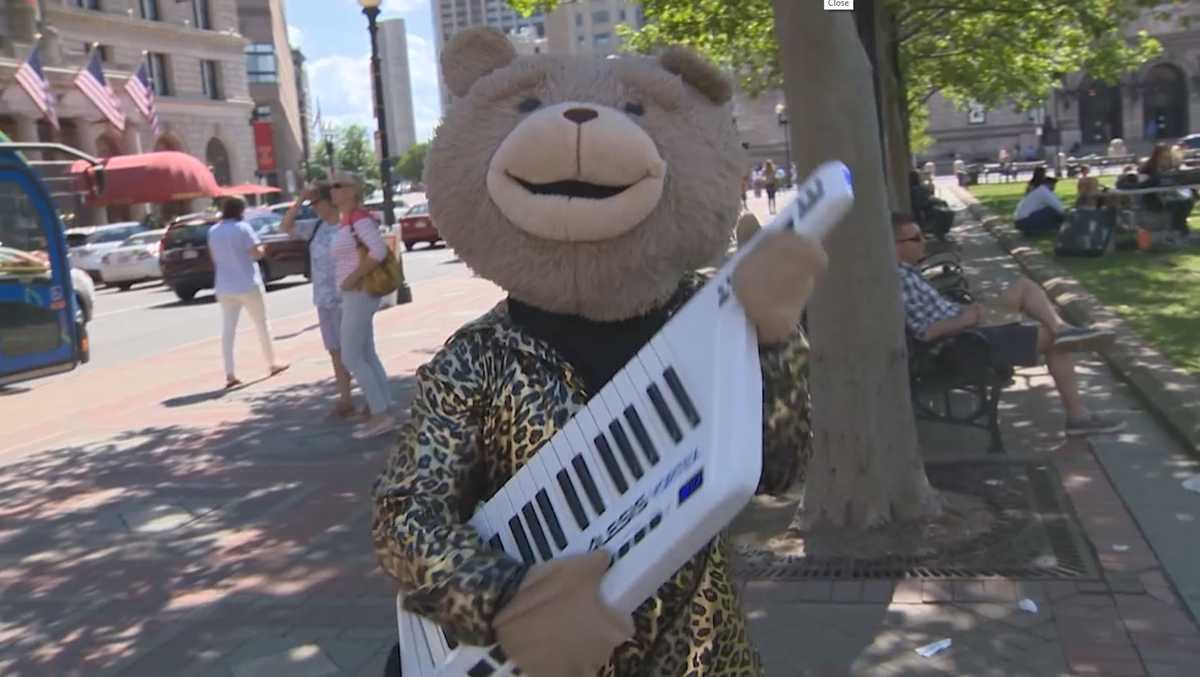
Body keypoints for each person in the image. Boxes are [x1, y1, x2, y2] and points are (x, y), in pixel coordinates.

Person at [893, 213, 1123, 436]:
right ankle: (1078, 416)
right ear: (895, 245)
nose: (924, 242)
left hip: (969, 325)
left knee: (1024, 287)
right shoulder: (898, 278)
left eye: (921, 236)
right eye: (915, 238)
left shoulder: (905, 272)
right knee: (1055, 342)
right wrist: (965, 318)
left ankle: (1062, 328)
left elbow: (933, 314)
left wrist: (969, 311)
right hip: (963, 343)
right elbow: (924, 333)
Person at [328, 171, 396, 440]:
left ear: (352, 191)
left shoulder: (358, 218)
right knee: (365, 352)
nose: (331, 191)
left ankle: (380, 415)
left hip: (360, 292)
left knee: (351, 355)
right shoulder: (348, 220)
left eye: (337, 186)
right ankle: (383, 407)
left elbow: (378, 250)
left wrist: (351, 278)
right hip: (355, 293)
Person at [280, 183, 355, 419]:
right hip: (324, 298)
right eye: (312, 205)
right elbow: (286, 226)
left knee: (355, 351)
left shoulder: (348, 225)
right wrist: (301, 198)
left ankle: (372, 399)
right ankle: (345, 399)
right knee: (335, 350)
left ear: (330, 201)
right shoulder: (315, 227)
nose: (315, 209)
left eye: (317, 203)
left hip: (348, 297)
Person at [207, 196, 289, 388]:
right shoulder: (243, 228)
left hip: (224, 285)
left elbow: (213, 257)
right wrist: (264, 248)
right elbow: (256, 253)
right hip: (247, 282)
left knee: (228, 330)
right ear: (240, 211)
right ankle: (272, 362)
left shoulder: (213, 231)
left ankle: (230, 372)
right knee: (261, 324)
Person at [1137, 142, 1194, 236]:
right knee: (1174, 204)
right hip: (1153, 196)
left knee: (1187, 201)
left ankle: (1179, 225)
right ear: (1157, 155)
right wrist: (1156, 178)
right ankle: (1179, 227)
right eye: (1163, 156)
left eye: (1167, 156)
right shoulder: (1147, 168)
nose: (1165, 159)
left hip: (1170, 194)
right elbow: (1142, 184)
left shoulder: (1169, 166)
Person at [1014, 168, 1065, 234]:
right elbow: (1060, 208)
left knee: (1051, 211)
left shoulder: (1038, 190)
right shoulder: (1043, 191)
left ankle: (1050, 228)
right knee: (1052, 210)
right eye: (1053, 184)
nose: (1054, 187)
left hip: (1020, 221)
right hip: (1024, 221)